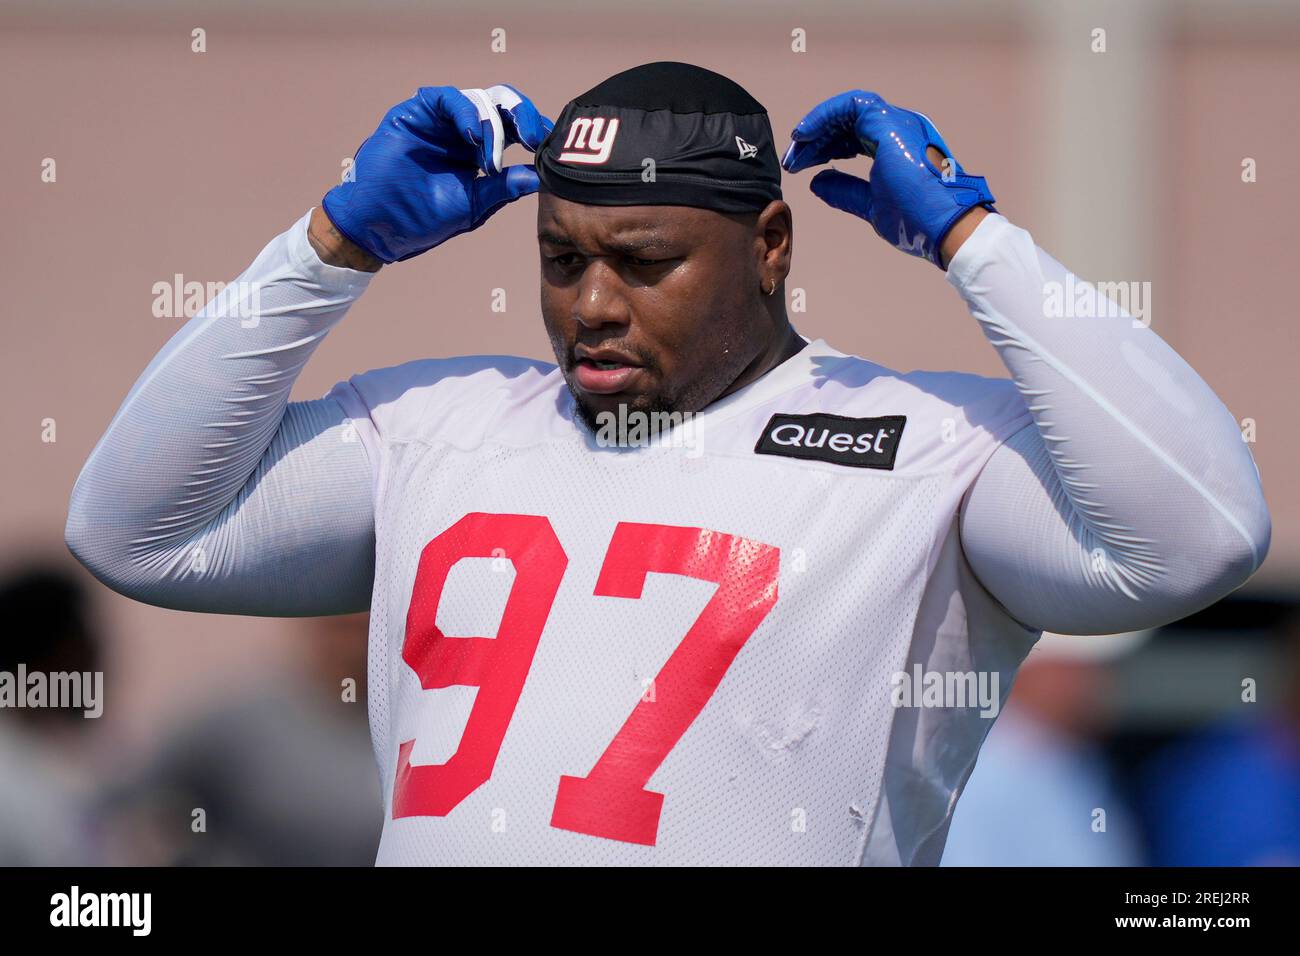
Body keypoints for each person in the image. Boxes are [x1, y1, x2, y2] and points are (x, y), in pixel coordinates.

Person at [64, 61, 1270, 865]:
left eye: (644, 263)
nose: (591, 303)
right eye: (561, 259)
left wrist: (975, 242)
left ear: (770, 245)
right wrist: (330, 247)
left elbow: (1199, 534)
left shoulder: (923, 444)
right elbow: (134, 531)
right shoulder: (432, 425)